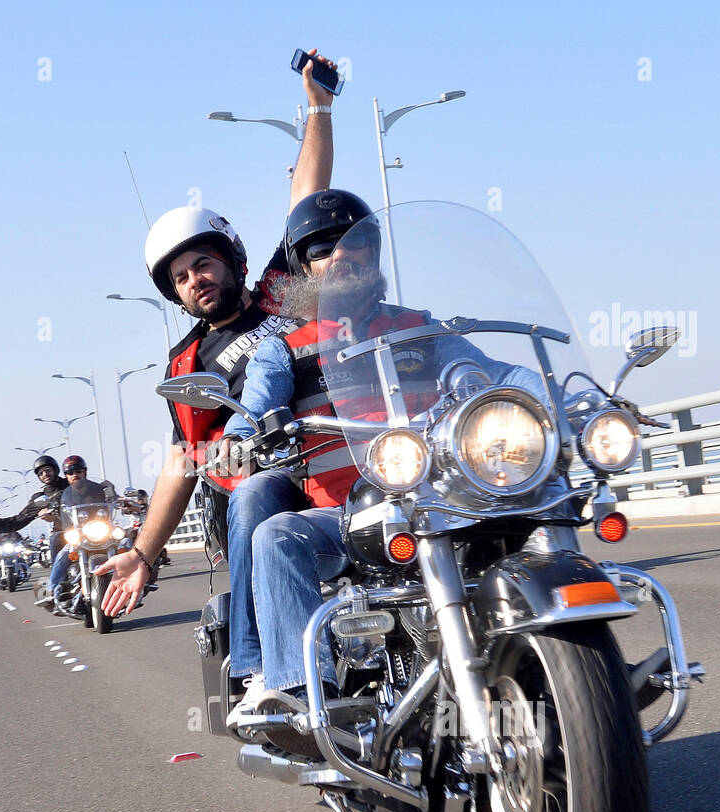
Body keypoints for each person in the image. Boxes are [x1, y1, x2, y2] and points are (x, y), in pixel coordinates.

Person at [222, 190, 543, 755]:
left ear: (375, 255)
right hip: (347, 515)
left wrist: (559, 397)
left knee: (532, 514)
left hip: (445, 501)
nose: (342, 256)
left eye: (357, 244)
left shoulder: (420, 328)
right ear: (303, 266)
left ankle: (552, 659)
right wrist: (241, 441)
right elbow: (248, 416)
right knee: (276, 534)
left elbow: (501, 371)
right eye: (323, 248)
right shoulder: (282, 352)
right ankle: (302, 698)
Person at [96, 48, 342, 618]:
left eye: (202, 264)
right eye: (180, 279)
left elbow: (307, 196)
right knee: (256, 493)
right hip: (275, 481)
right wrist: (141, 553)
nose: (194, 281)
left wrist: (320, 111)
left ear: (232, 260)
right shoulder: (189, 363)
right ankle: (262, 670)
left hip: (348, 447)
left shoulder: (284, 290)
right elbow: (184, 457)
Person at [47, 455, 119, 611]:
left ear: (84, 472)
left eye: (78, 471)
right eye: (70, 472)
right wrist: (48, 510)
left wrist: (122, 501)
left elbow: (114, 499)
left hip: (101, 532)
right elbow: (53, 507)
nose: (75, 475)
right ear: (66, 475)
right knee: (62, 555)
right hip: (79, 536)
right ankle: (51, 591)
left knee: (125, 544)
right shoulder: (62, 495)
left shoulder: (100, 489)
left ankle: (139, 578)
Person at [0, 455, 71, 558]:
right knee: (57, 545)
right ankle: (57, 575)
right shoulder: (41, 498)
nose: (45, 474)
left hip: (86, 526)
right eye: (40, 473)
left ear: (55, 469)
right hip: (63, 531)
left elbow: (90, 492)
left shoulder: (71, 484)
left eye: (47, 470)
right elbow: (19, 520)